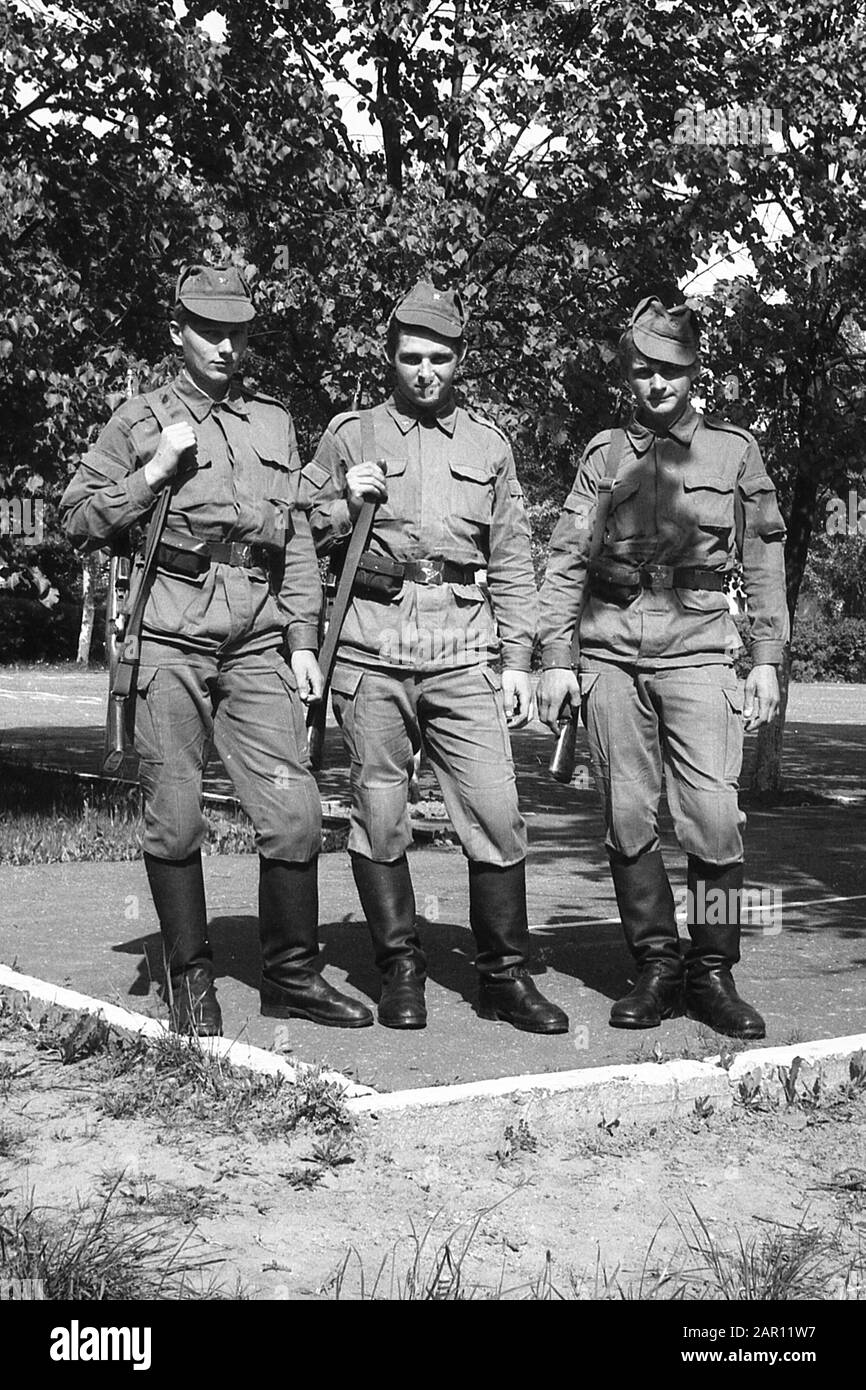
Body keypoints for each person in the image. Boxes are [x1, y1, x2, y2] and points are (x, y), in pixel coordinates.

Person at [61, 264, 373, 1035]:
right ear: (179, 333)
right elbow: (74, 520)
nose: (228, 346)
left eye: (239, 332)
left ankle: (290, 976)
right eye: (211, 331)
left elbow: (295, 532)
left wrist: (304, 637)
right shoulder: (138, 419)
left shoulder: (273, 421)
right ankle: (189, 977)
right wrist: (154, 471)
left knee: (296, 810)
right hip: (169, 636)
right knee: (173, 816)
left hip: (259, 638)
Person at [301, 281, 568, 1034]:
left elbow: (514, 554)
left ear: (459, 361)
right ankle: (400, 971)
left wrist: (519, 657)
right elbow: (297, 531)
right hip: (371, 648)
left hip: (461, 648)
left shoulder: (490, 446)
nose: (425, 372)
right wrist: (340, 504)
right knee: (380, 812)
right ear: (390, 356)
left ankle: (505, 979)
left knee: (496, 810)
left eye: (440, 359)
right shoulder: (350, 435)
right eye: (412, 357)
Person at [536, 297, 789, 1039]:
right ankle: (655, 965)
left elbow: (763, 561)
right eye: (643, 371)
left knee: (714, 815)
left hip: (700, 646)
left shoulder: (732, 451)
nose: (656, 386)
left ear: (693, 370)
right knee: (626, 816)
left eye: (670, 371)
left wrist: (766, 658)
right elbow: (564, 560)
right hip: (611, 650)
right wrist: (558, 657)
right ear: (630, 375)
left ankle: (712, 970)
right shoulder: (604, 454)